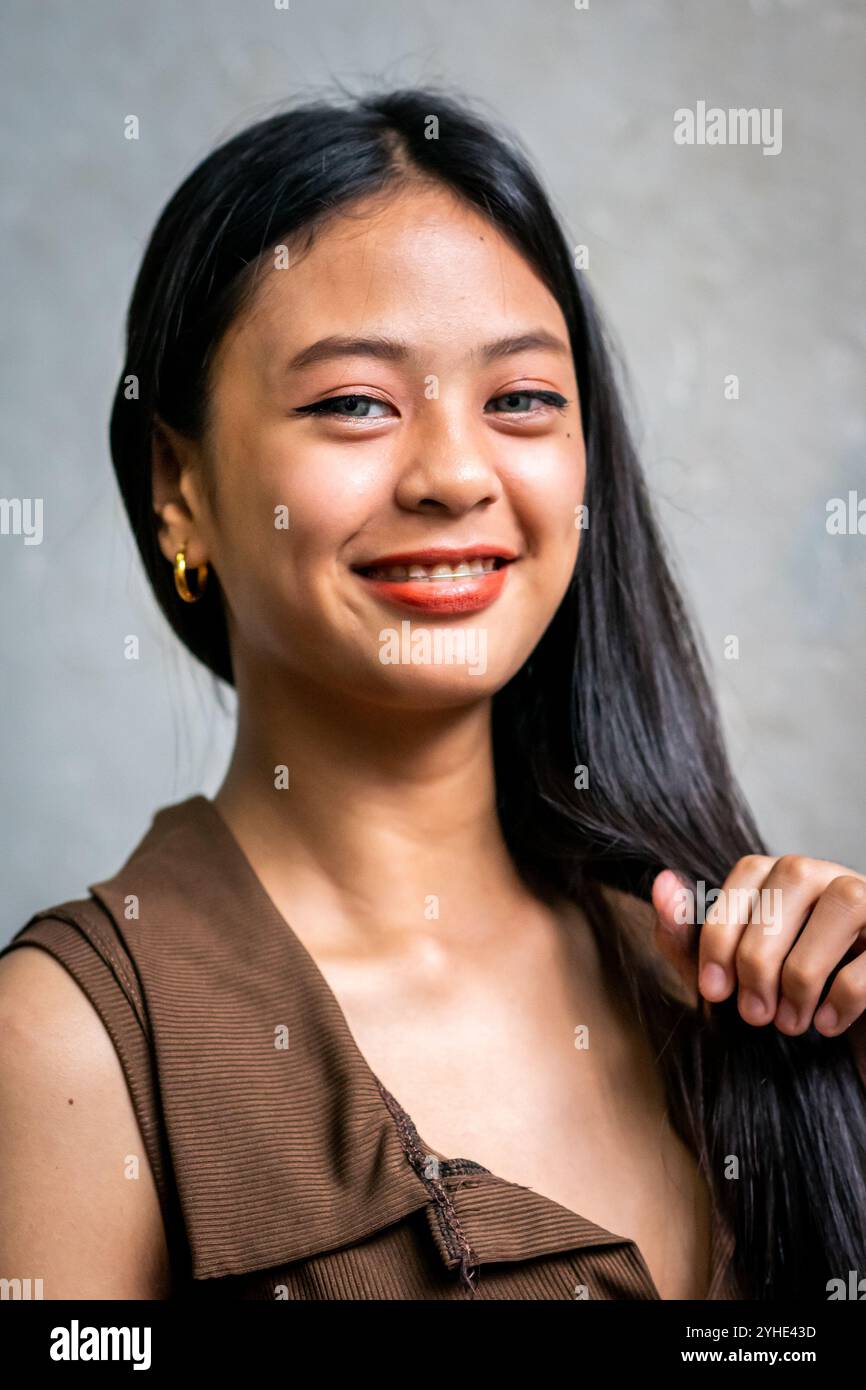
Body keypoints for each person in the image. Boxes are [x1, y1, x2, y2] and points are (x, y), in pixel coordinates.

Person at [2, 87, 865, 1303]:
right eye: (355, 401)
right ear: (177, 482)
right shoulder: (73, 1047)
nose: (456, 474)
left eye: (518, 399)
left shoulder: (727, 972)